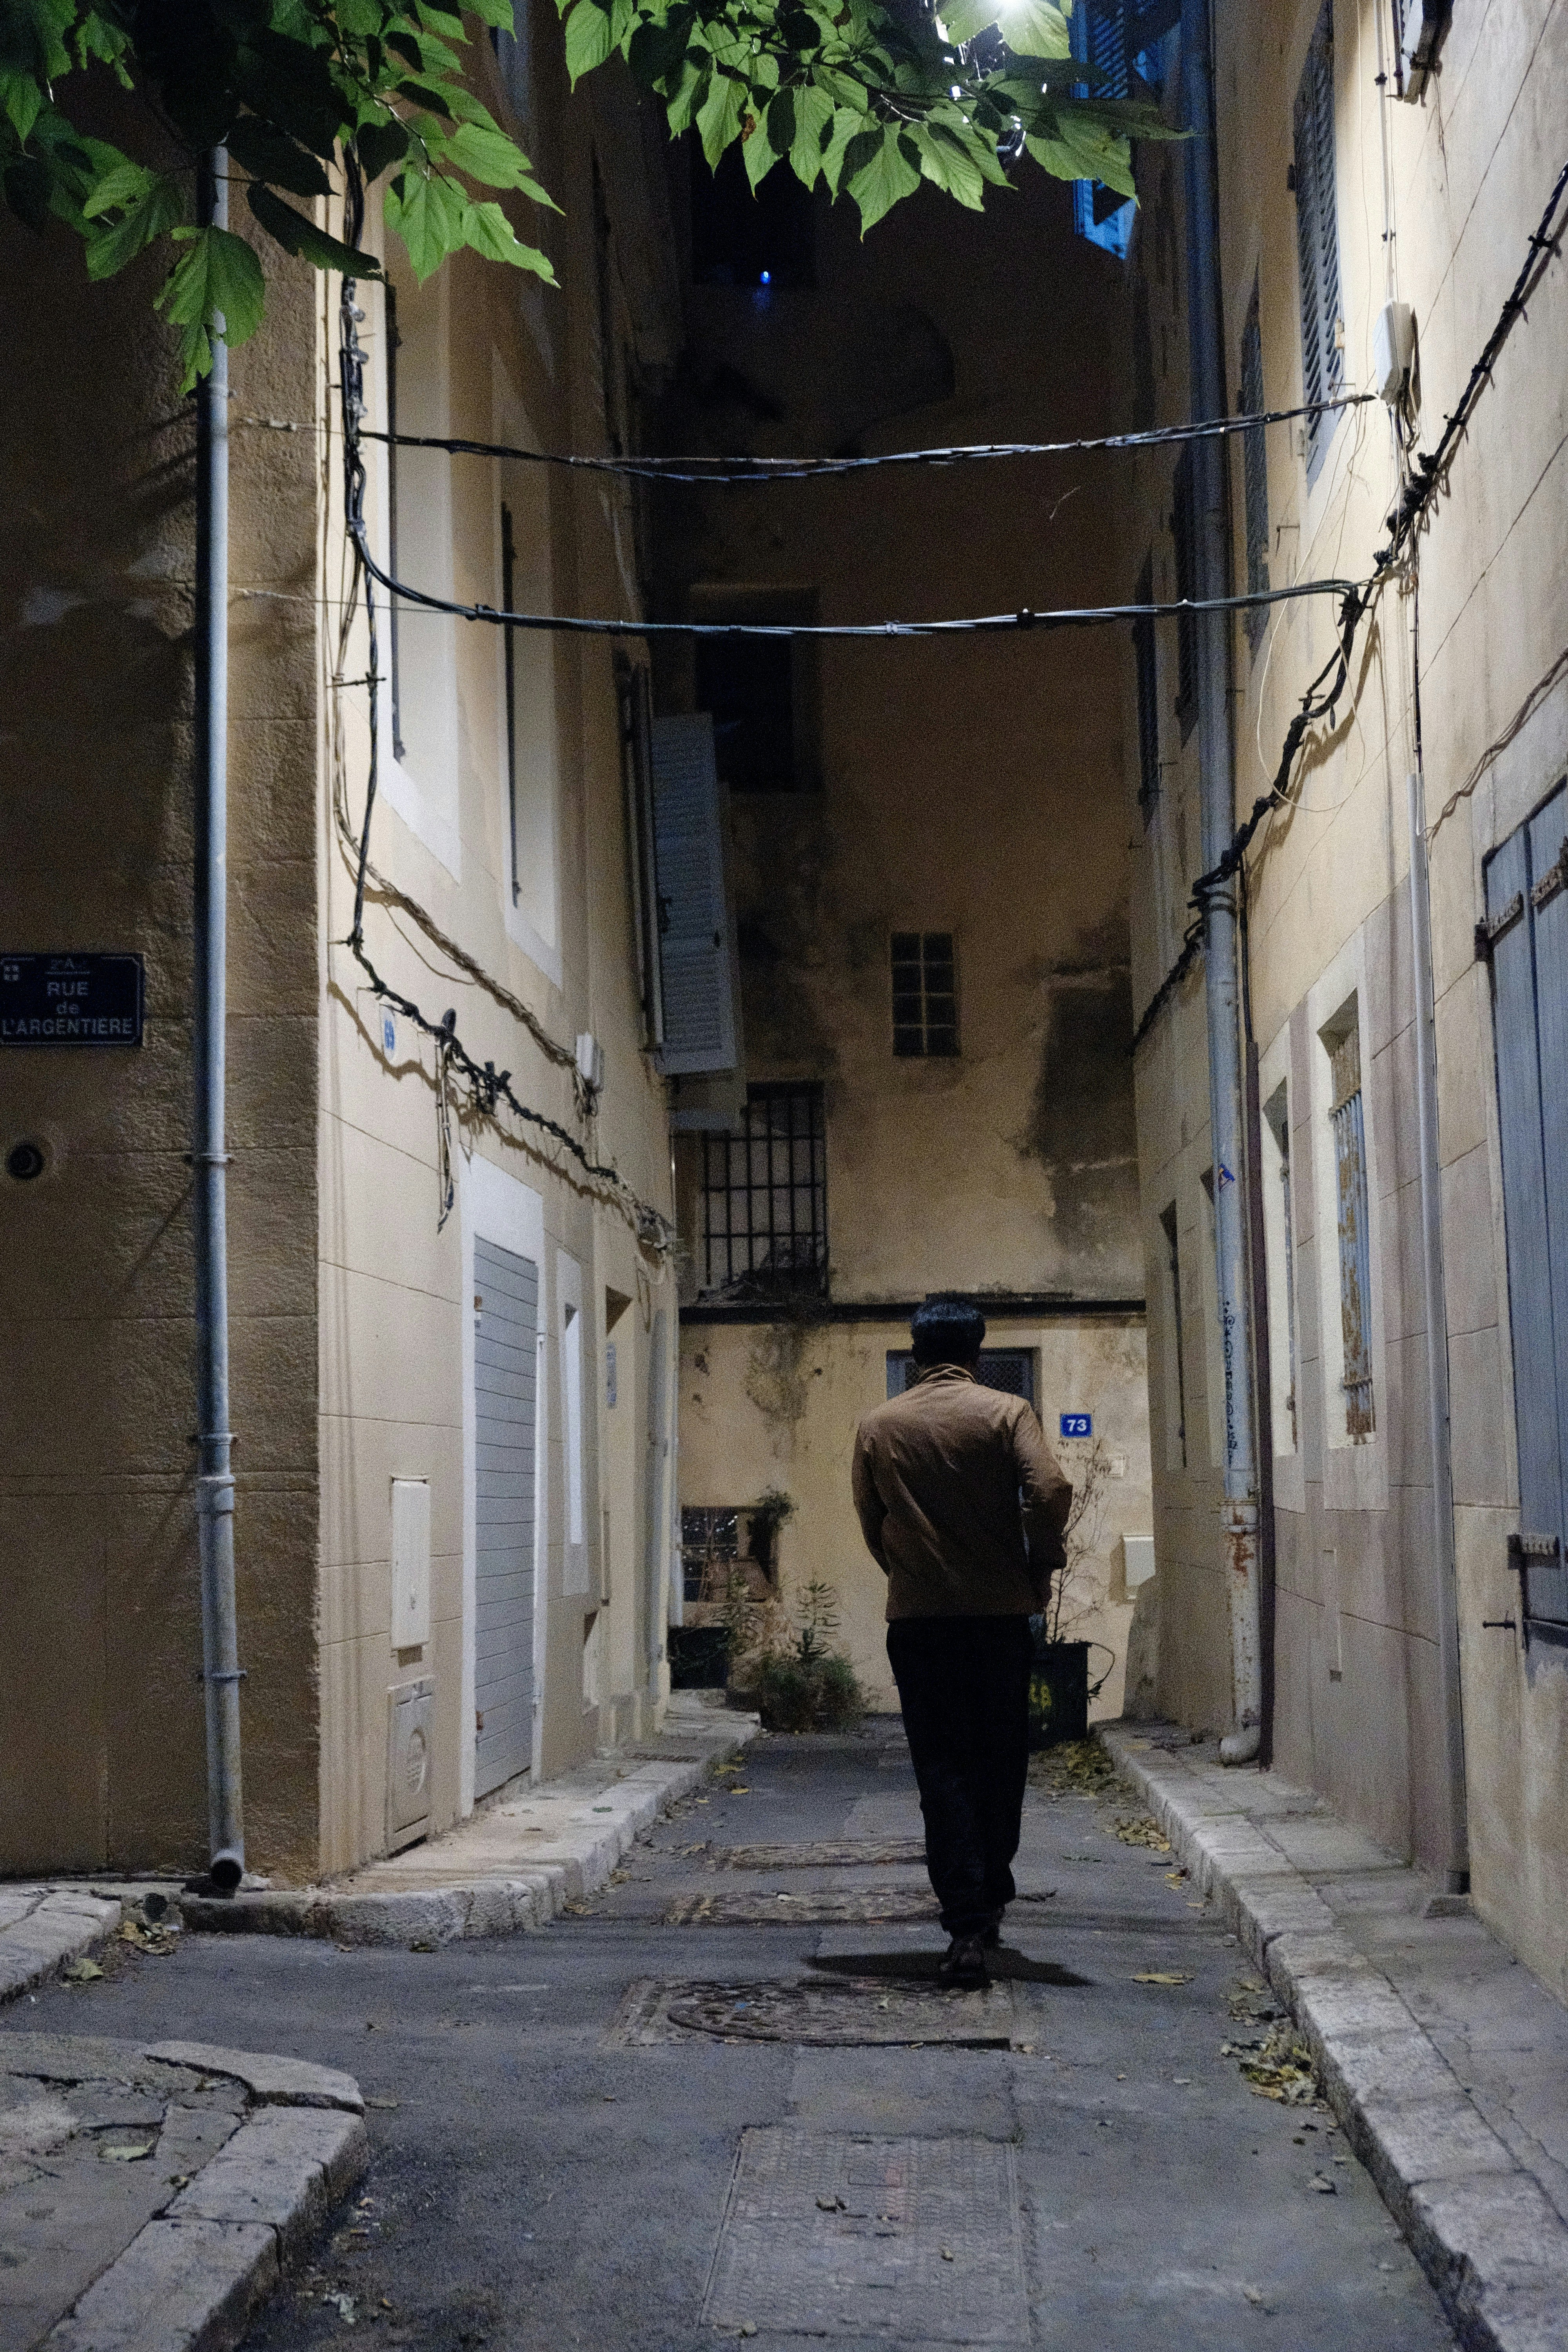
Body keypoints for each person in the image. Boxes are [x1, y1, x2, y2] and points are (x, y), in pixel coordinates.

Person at [851, 1295, 1073, 1987]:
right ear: (976, 1354)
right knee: (1000, 1762)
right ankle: (991, 1897)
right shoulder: (1007, 1414)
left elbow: (870, 1516)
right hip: (999, 1618)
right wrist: (1038, 1562)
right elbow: (1053, 1489)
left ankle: (965, 1918)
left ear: (917, 1355)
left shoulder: (879, 1425)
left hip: (919, 1624)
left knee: (940, 1767)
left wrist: (907, 1571)